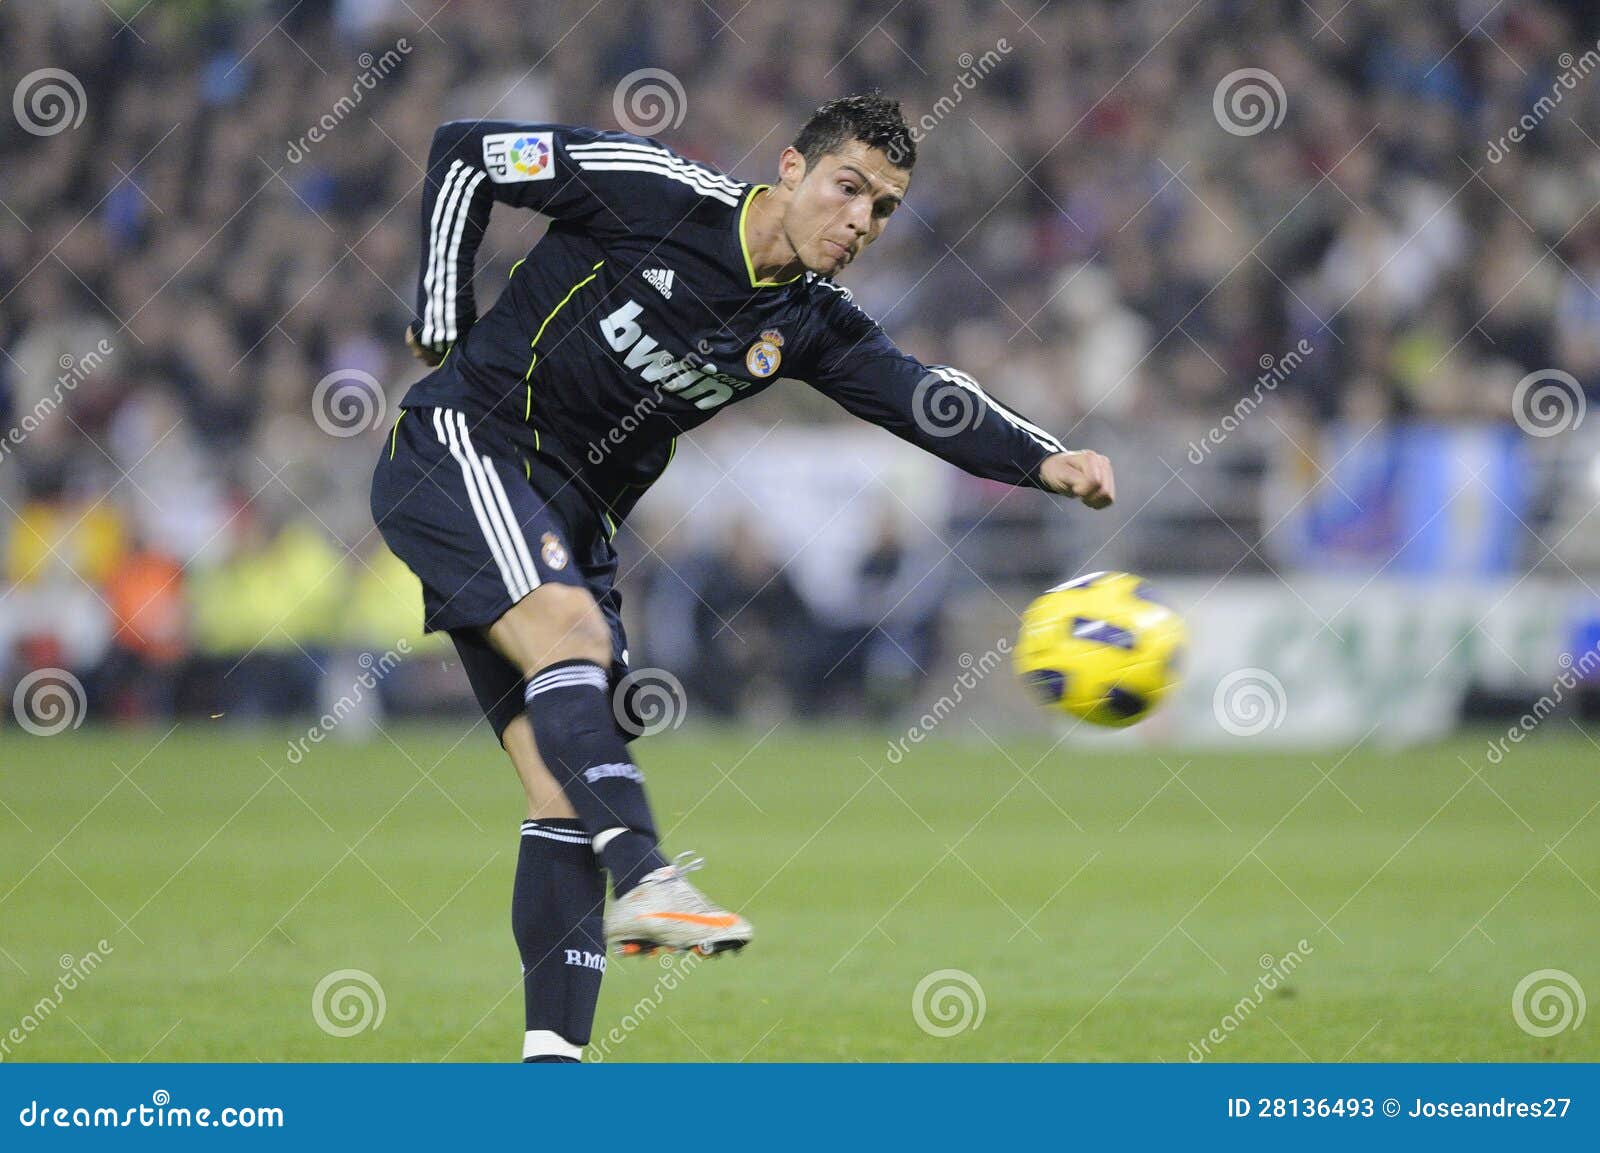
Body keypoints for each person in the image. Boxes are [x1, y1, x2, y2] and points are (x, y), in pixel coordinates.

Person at [369, 92, 1115, 1062]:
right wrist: (439, 309)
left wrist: (1045, 461)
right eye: (849, 189)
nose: (859, 222)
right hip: (467, 445)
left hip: (576, 523)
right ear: (792, 170)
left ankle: (550, 1079)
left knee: (562, 787)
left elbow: (922, 396)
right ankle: (648, 876)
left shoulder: (807, 322)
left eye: (883, 209)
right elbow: (465, 148)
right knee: (575, 642)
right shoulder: (653, 193)